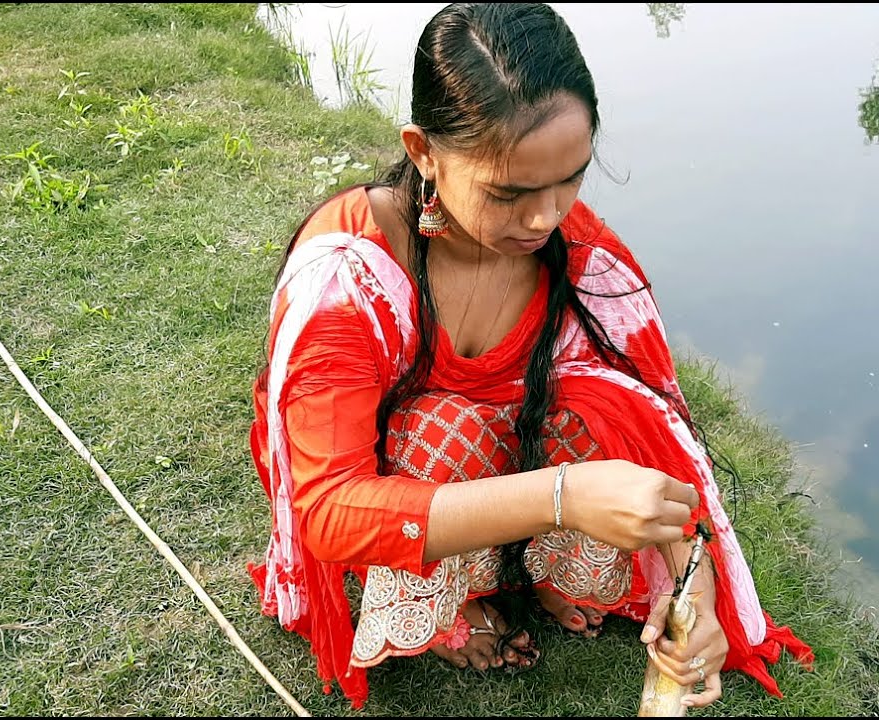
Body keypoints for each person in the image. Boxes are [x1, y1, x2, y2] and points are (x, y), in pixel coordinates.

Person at [247, 2, 814, 711]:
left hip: (508, 469)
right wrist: (565, 495)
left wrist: (690, 580)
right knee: (437, 430)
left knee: (607, 407)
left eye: (570, 178)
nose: (547, 218)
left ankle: (533, 576)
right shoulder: (346, 281)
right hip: (413, 475)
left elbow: (660, 429)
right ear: (424, 152)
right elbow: (330, 508)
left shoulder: (583, 256)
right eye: (510, 193)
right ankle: (447, 609)